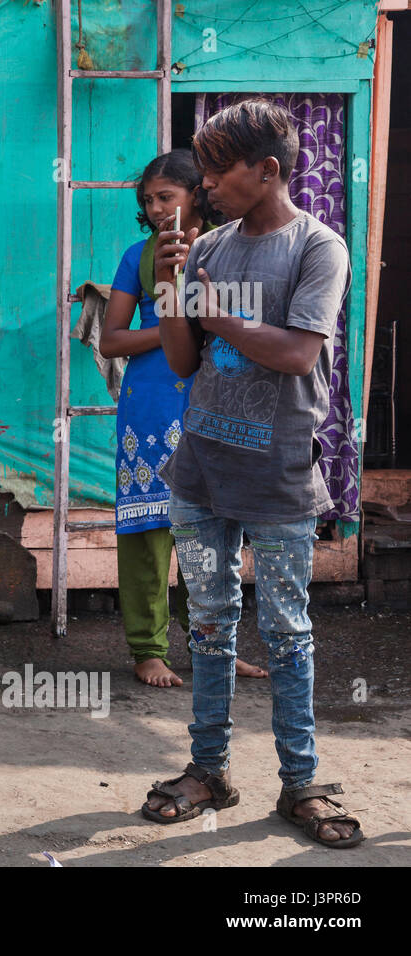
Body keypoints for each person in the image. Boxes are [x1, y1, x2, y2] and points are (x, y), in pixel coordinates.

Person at [142, 100, 363, 847]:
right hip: (199, 473)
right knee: (208, 627)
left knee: (288, 632)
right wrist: (174, 291)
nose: (204, 184)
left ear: (266, 171)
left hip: (277, 481)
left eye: (216, 170)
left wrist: (218, 314)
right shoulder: (208, 249)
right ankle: (209, 771)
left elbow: (300, 353)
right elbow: (180, 360)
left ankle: (301, 784)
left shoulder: (318, 248)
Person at [100, 150, 267, 689]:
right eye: (147, 200)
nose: (153, 209)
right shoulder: (139, 256)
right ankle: (148, 650)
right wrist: (178, 320)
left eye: (164, 197)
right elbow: (112, 339)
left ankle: (215, 645)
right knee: (149, 529)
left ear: (197, 192)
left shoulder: (233, 246)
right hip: (150, 404)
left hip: (215, 398)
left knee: (216, 532)